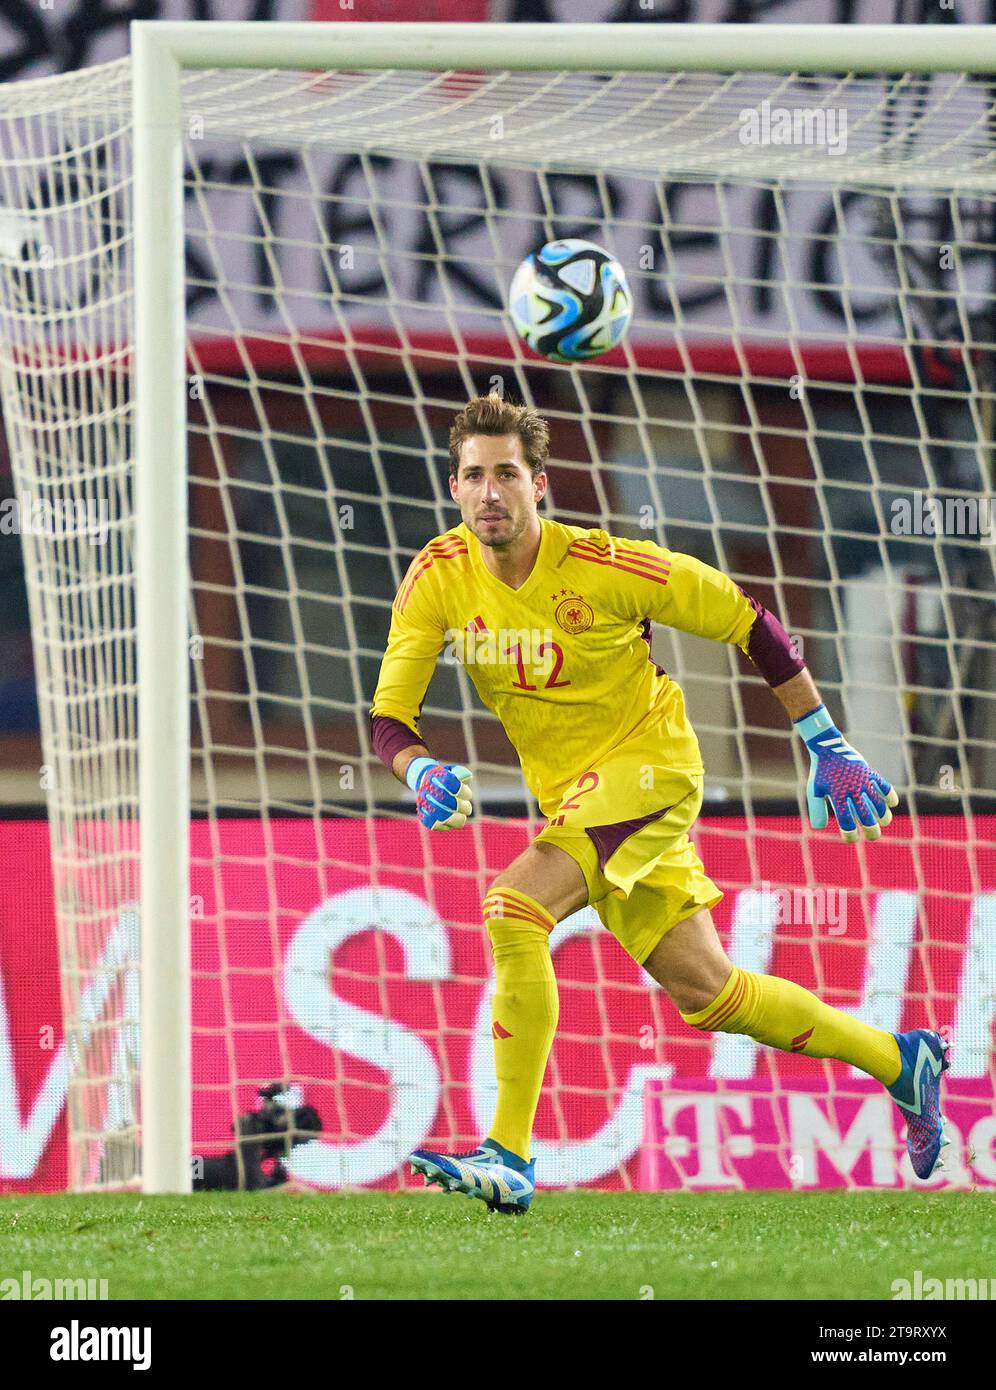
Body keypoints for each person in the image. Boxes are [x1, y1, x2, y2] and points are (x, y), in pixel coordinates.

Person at [369, 393, 949, 1214]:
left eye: (507, 474)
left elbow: (748, 622)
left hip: (651, 769)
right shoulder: (437, 577)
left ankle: (509, 1153)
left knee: (512, 910)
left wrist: (827, 742)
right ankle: (900, 1060)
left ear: (541, 485)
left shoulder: (607, 565)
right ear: (453, 487)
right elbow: (392, 718)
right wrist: (421, 773)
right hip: (578, 800)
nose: (489, 492)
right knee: (710, 994)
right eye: (473, 476)